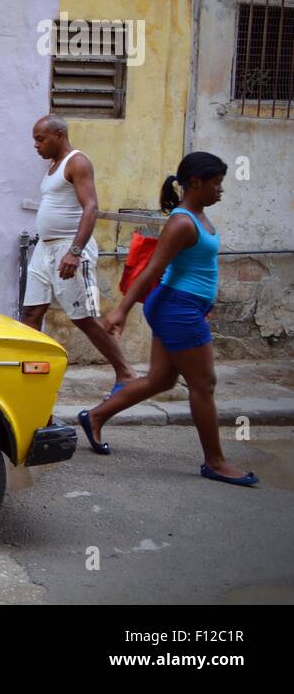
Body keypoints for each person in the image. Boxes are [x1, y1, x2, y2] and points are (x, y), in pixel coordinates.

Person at [79, 152, 257, 485]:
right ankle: (215, 462)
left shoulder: (198, 215)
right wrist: (121, 309)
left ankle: (96, 416)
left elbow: (196, 267)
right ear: (196, 183)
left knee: (162, 379)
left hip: (183, 306)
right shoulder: (182, 222)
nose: (221, 190)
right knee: (204, 384)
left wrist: (206, 301)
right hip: (178, 308)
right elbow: (152, 270)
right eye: (217, 183)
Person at [22, 115, 138, 393]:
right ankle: (28, 373)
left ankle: (125, 372)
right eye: (35, 140)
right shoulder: (53, 166)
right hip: (45, 248)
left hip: (70, 247)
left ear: (59, 135)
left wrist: (75, 252)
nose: (36, 146)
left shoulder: (78, 162)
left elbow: (91, 208)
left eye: (41, 139)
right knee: (31, 312)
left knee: (83, 316)